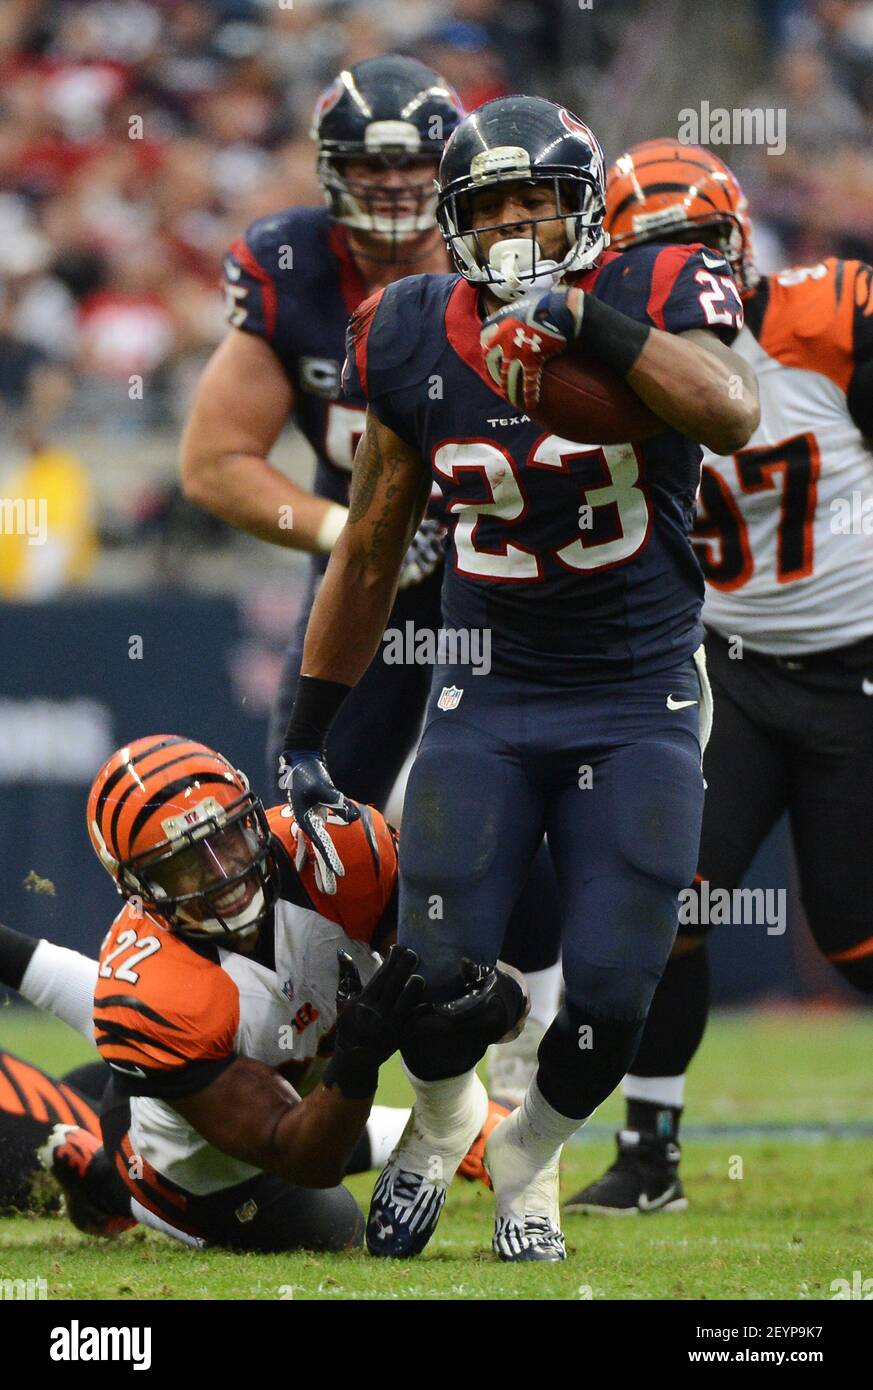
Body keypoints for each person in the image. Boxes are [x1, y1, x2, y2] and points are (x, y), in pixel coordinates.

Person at [278, 96, 757, 1262]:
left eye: (534, 200)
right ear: (453, 221)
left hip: (639, 691)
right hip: (486, 689)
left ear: (581, 208)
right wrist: (309, 730)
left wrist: (586, 322)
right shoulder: (407, 328)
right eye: (487, 206)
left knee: (613, 990)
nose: (511, 227)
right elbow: (372, 544)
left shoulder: (652, 285)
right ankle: (444, 1122)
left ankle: (529, 1159)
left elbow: (731, 412)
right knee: (438, 967)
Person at [179, 53, 564, 1093]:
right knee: (311, 817)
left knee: (523, 808)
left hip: (507, 571)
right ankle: (302, 1072)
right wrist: (347, 528)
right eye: (369, 166)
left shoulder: (508, 249)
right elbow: (214, 462)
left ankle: (527, 1047)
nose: (393, 187)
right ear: (329, 170)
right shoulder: (291, 267)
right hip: (369, 583)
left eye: (413, 168)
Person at [565, 138, 873, 1215]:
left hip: (856, 671)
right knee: (670, 904)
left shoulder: (828, 320)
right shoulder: (614, 364)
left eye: (700, 243)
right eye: (655, 250)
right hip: (728, 670)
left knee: (855, 940)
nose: (683, 269)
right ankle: (648, 1157)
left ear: (738, 242)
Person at [0, 734, 517, 1252]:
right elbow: (299, 1154)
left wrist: (491, 1003)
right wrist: (357, 1061)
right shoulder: (154, 989)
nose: (223, 873)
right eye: (182, 864)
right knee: (331, 1230)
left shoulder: (331, 850)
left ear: (250, 816)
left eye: (225, 837)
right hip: (193, 1157)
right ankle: (107, 1183)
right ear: (139, 888)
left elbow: (446, 973)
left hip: (265, 1077)